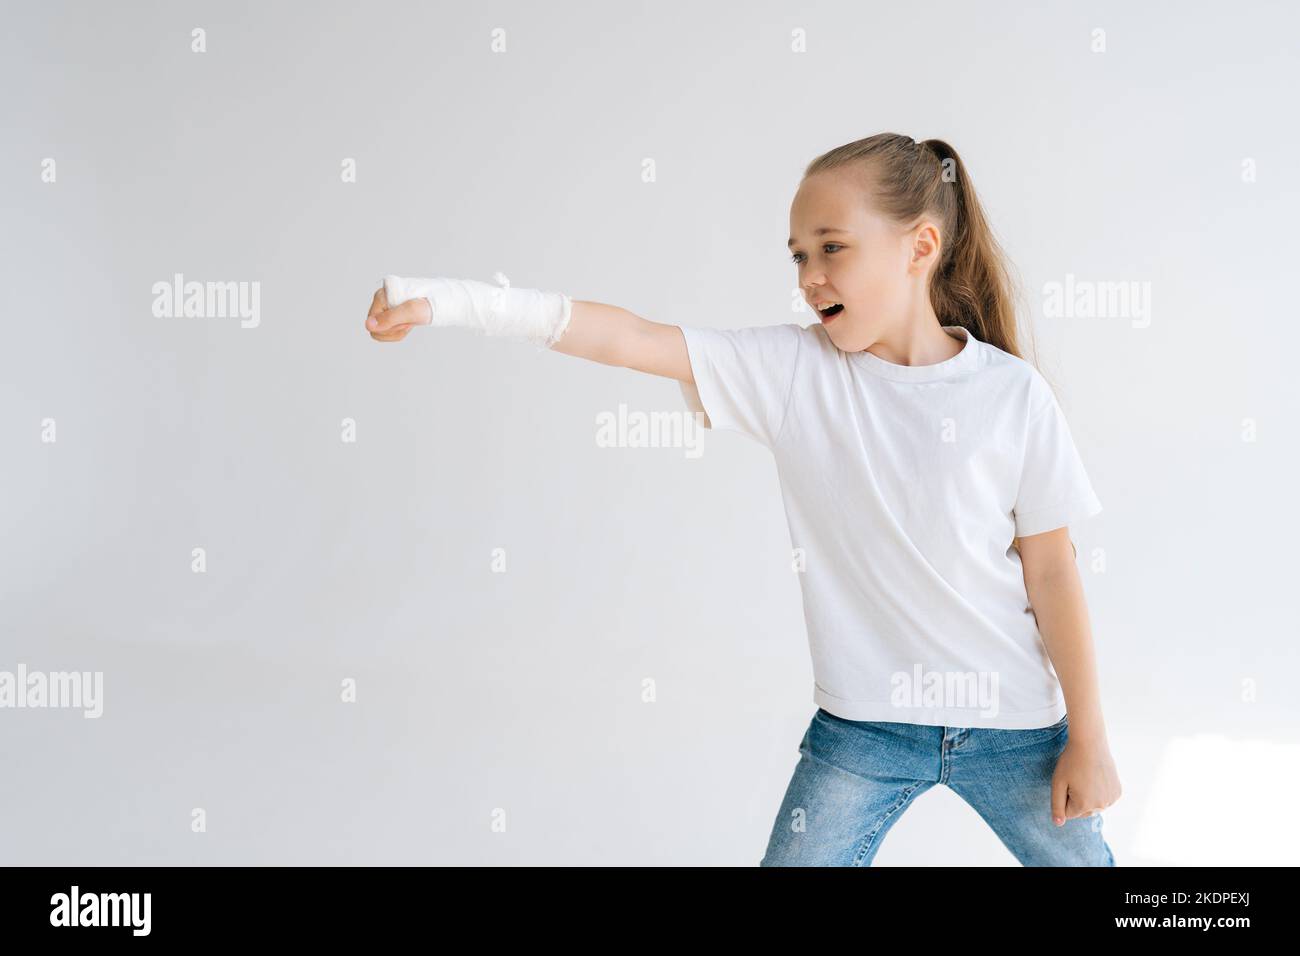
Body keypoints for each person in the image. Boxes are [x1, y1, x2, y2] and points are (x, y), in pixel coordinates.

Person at [364, 132, 1121, 866]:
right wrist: (444, 303)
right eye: (798, 255)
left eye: (832, 248)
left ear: (919, 248)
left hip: (1014, 725)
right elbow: (628, 337)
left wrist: (1088, 739)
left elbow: (1051, 571)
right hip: (865, 731)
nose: (808, 275)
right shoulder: (793, 371)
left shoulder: (1012, 395)